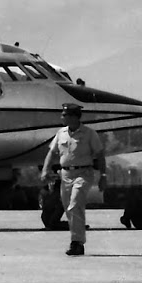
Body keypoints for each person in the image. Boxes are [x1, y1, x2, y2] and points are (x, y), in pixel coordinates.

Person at [41, 103, 107, 256]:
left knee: (75, 204)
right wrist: (45, 170)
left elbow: (100, 155)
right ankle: (77, 241)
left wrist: (103, 176)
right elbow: (51, 153)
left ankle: (76, 242)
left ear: (73, 117)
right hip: (65, 175)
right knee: (69, 208)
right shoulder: (61, 133)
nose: (62, 117)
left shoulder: (89, 134)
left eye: (64, 115)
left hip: (83, 173)